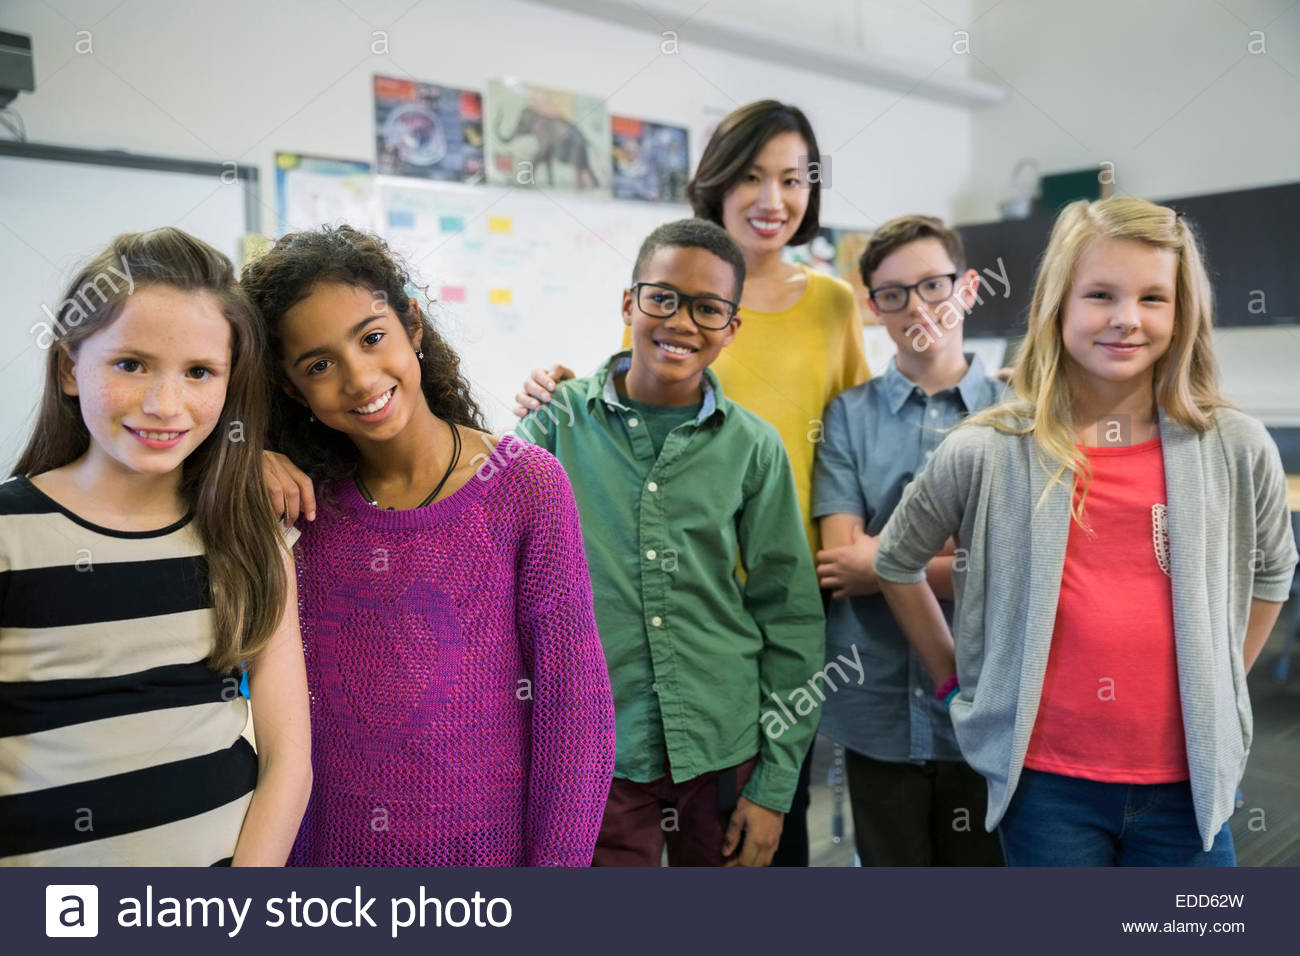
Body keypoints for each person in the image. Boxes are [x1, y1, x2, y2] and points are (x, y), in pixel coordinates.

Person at [874, 197, 1298, 866]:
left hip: (1190, 788)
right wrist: (958, 682)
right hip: (1048, 789)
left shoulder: (1235, 444)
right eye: (1100, 294)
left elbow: (1273, 570)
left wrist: (1218, 678)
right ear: (1058, 306)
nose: (1127, 319)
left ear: (1182, 312)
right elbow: (895, 560)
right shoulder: (987, 448)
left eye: (1154, 297)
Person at [514, 100, 868, 865]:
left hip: (751, 648)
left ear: (729, 326)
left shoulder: (829, 312)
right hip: (613, 705)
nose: (773, 197)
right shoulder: (573, 417)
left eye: (792, 179)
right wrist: (546, 394)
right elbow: (615, 410)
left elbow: (857, 437)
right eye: (750, 176)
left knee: (762, 849)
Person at [243, 225, 615, 866]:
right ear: (289, 389)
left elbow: (575, 716)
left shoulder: (522, 487)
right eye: (319, 365)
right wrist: (239, 465)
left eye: (373, 337)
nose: (360, 378)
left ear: (412, 327)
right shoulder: (296, 509)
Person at [0, 228, 310, 866]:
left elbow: (288, 760)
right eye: (130, 364)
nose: (164, 404)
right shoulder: (10, 532)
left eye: (199, 372)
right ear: (68, 367)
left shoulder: (249, 537)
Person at [812, 215, 1005, 865]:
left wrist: (887, 560)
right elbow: (843, 561)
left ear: (969, 288)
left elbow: (1017, 564)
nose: (916, 306)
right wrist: (955, 555)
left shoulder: (1018, 417)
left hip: (991, 705)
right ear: (874, 308)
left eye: (933, 285)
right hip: (877, 705)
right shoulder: (848, 414)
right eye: (893, 294)